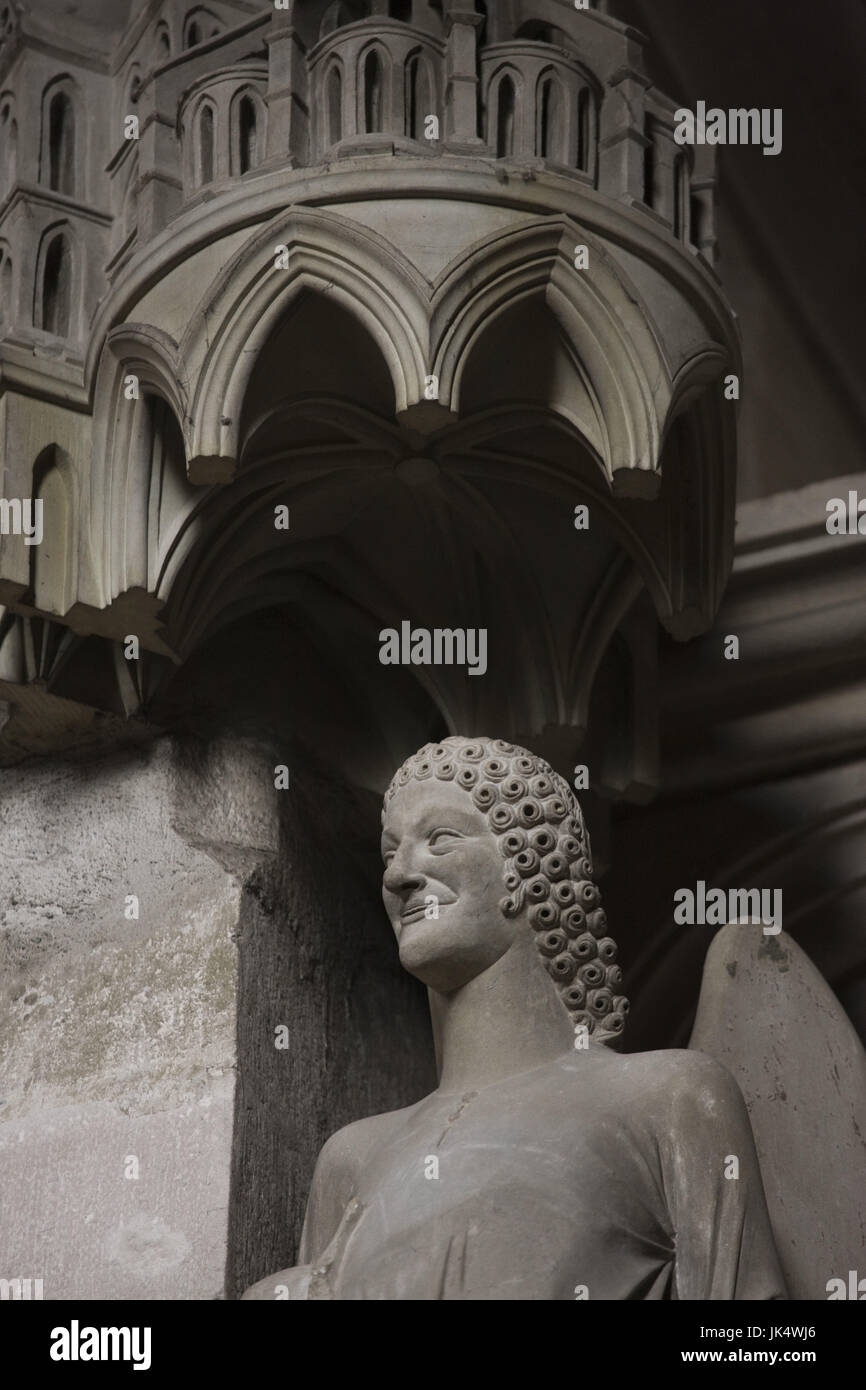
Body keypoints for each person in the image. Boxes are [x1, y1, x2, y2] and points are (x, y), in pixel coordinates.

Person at [244, 736, 786, 1300]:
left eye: (441, 840)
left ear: (527, 867)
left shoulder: (666, 1098)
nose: (399, 874)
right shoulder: (350, 1158)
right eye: (389, 852)